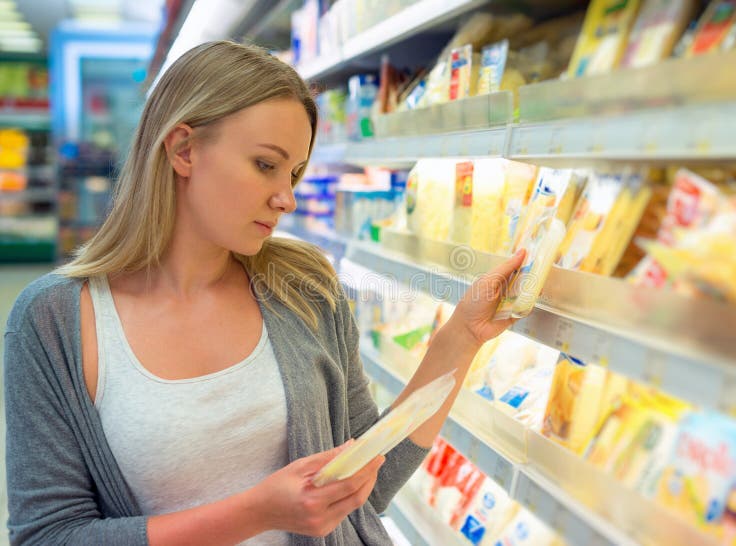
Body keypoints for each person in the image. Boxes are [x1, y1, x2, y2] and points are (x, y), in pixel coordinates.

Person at [4, 41, 525, 546]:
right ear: (184, 149)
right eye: (265, 165)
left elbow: (370, 484)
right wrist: (256, 512)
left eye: (295, 172)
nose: (287, 198)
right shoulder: (54, 321)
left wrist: (460, 337)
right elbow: (49, 534)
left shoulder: (303, 289)